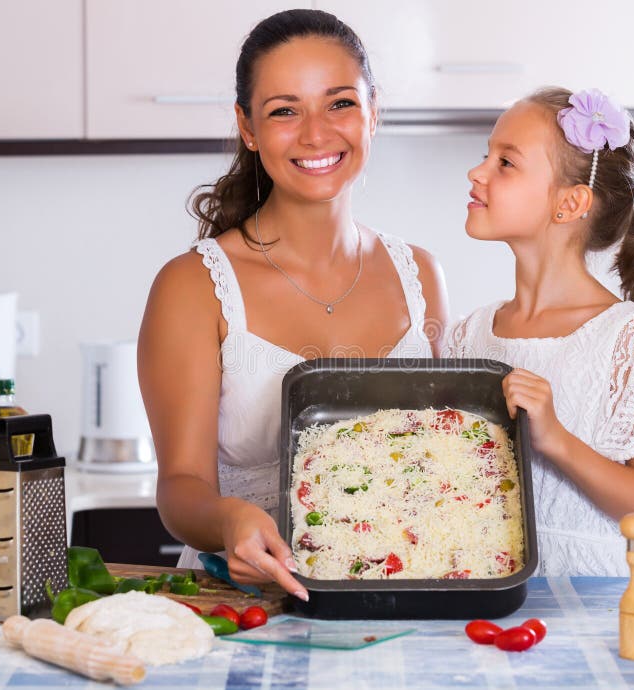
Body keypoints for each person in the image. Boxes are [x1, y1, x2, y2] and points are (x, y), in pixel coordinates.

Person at [137, 9, 449, 599]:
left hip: (397, 596)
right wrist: (230, 520)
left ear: (373, 112)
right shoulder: (193, 286)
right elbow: (181, 485)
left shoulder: (422, 276)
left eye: (340, 103)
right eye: (285, 110)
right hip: (240, 604)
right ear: (248, 128)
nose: (315, 134)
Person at [444, 87, 634, 576]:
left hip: (593, 602)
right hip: (490, 597)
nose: (477, 172)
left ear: (569, 203)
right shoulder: (469, 336)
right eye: (487, 154)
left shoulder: (627, 340)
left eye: (506, 162)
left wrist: (556, 440)